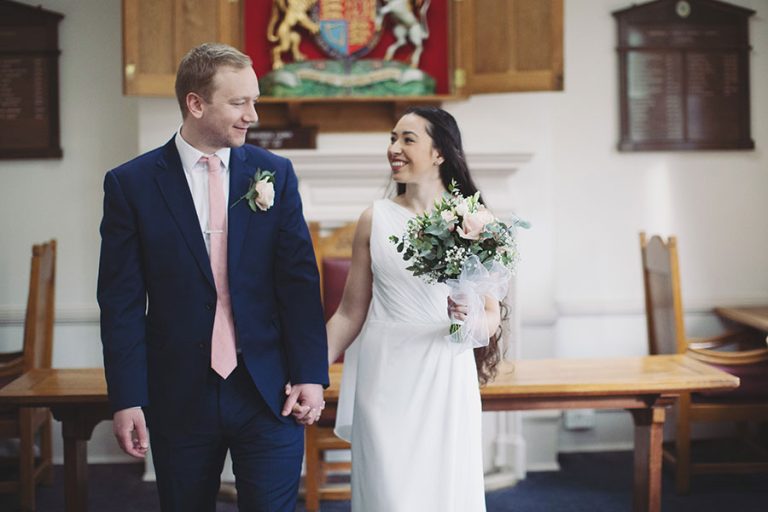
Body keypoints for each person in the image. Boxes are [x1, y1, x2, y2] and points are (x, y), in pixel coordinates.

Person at [97, 42, 328, 512]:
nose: (253, 115)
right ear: (195, 103)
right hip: (179, 393)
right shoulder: (131, 184)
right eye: (239, 102)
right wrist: (126, 398)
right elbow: (120, 302)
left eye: (255, 101)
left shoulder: (275, 174)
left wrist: (310, 374)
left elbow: (299, 284)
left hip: (269, 390)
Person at [327, 106, 503, 511]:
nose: (394, 148)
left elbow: (491, 316)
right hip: (385, 373)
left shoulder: (476, 220)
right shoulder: (375, 219)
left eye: (408, 139)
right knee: (389, 494)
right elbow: (349, 313)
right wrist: (307, 370)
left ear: (440, 152)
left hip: (445, 372)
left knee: (443, 492)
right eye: (392, 138)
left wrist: (470, 318)